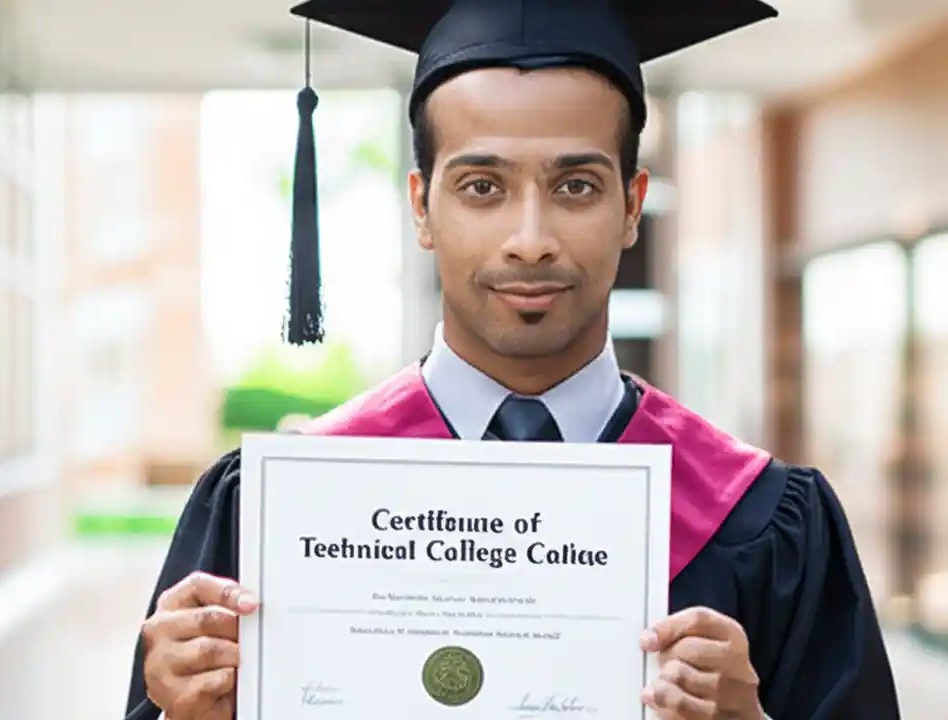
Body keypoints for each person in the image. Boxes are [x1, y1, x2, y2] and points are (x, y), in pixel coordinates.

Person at [123, 0, 902, 718]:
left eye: (576, 185)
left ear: (632, 205)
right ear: (421, 206)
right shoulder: (279, 508)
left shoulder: (761, 519)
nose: (530, 236)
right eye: (483, 186)